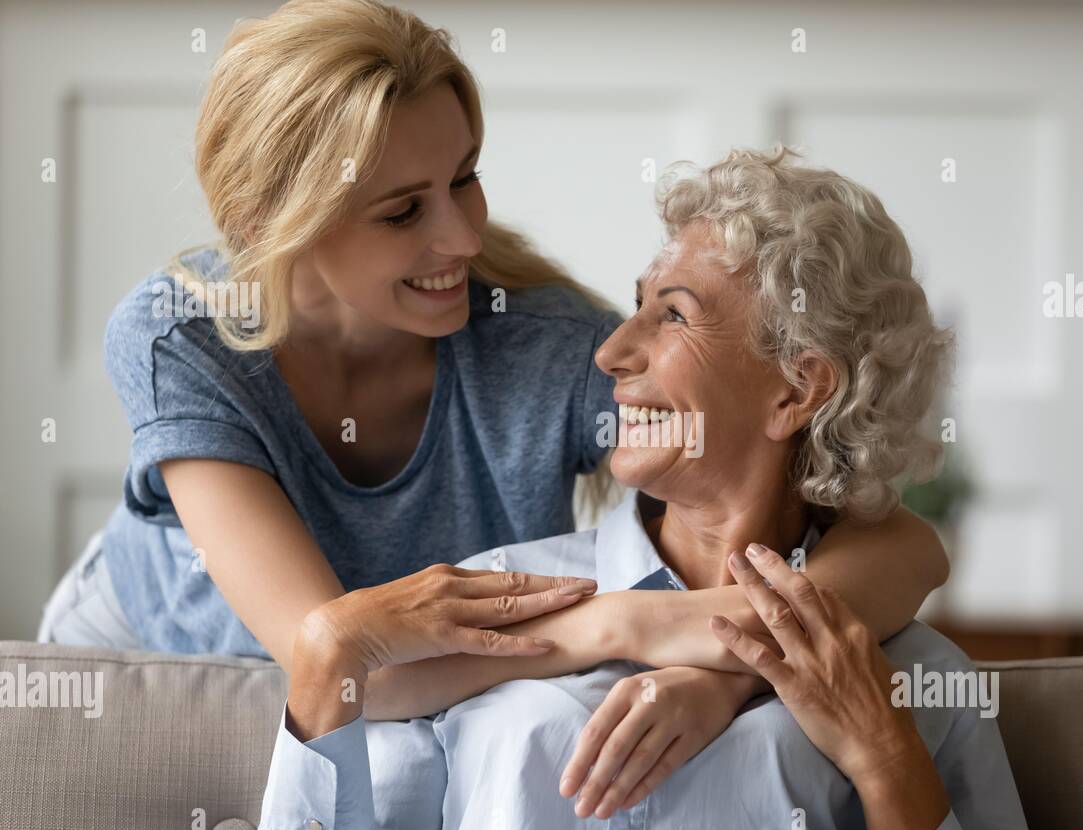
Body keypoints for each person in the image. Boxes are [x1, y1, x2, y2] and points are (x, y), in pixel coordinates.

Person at [38, 0, 950, 728]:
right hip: (158, 660)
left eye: (465, 177)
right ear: (284, 224)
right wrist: (616, 626)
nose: (464, 236)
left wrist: (726, 683)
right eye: (405, 212)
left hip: (437, 685)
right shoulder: (181, 336)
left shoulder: (538, 345)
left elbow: (902, 546)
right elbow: (338, 660)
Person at [246, 147, 1038, 830]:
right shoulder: (490, 599)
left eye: (673, 315)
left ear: (799, 389)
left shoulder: (917, 677)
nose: (612, 353)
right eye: (636, 307)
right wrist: (327, 651)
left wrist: (881, 758)